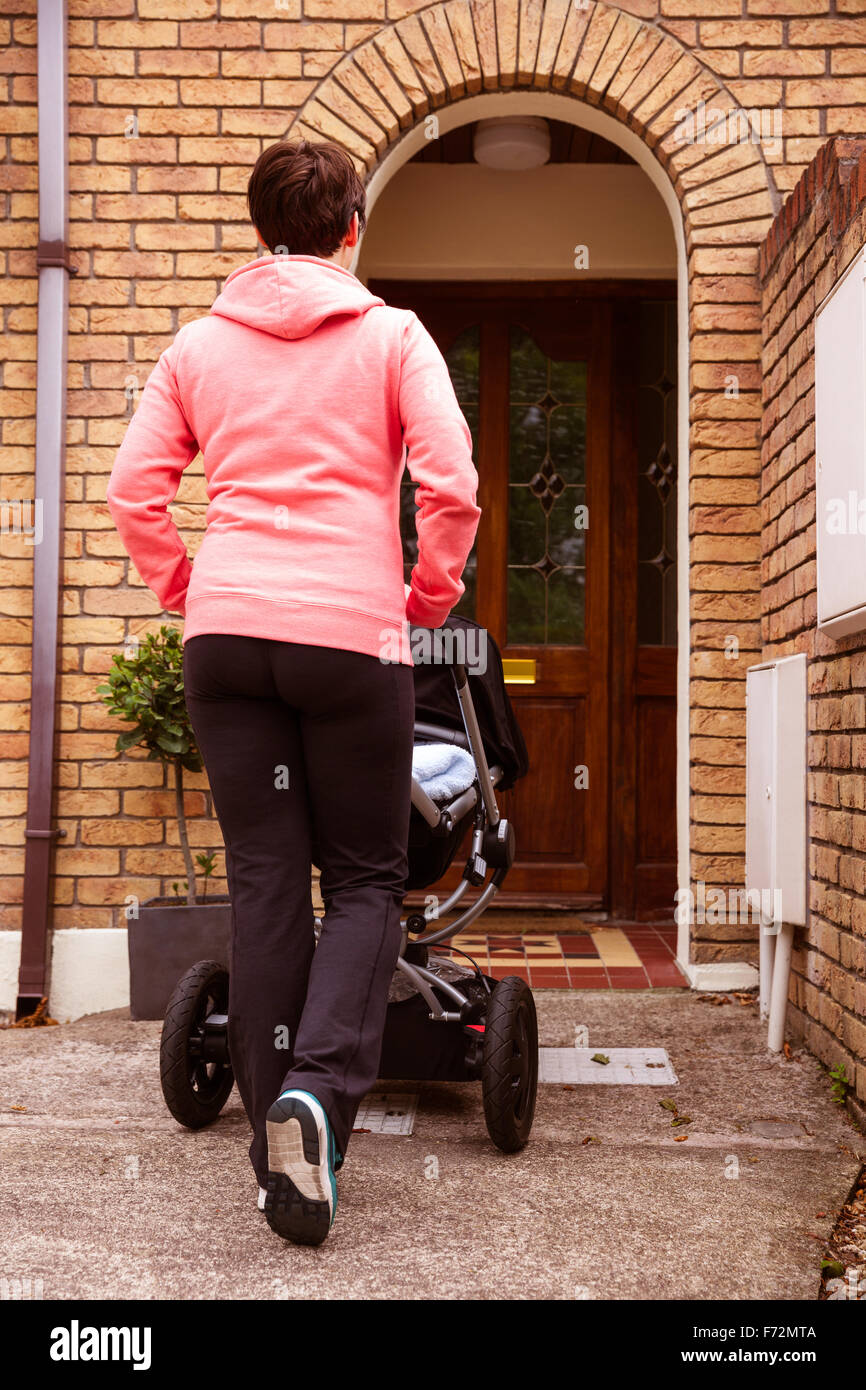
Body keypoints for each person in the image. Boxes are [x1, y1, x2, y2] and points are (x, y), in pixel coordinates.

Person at [106, 138, 480, 1246]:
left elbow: (135, 492)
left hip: (228, 642)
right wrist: (423, 595)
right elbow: (450, 482)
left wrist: (190, 585)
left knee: (265, 880)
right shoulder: (390, 335)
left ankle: (282, 1167)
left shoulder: (197, 345)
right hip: (346, 639)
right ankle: (316, 1097)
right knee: (363, 880)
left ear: (256, 225)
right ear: (350, 228)